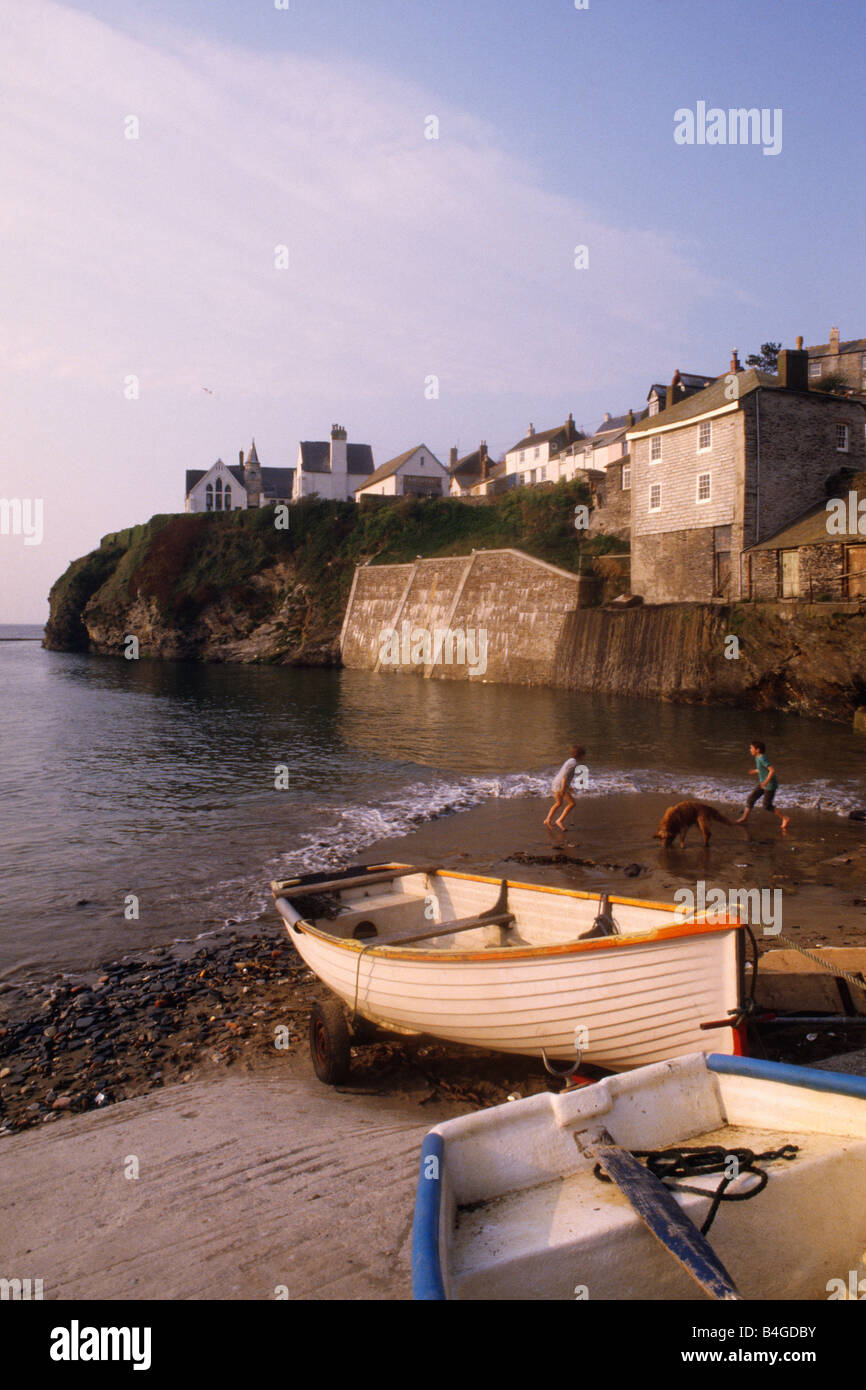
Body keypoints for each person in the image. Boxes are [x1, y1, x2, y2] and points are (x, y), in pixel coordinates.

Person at [735, 739, 790, 833]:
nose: (750, 750)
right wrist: (755, 771)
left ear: (758, 750)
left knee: (766, 806)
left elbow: (772, 770)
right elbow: (762, 768)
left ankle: (785, 818)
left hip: (769, 785)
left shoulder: (762, 758)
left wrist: (765, 782)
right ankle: (744, 818)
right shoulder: (757, 758)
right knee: (751, 798)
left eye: (751, 748)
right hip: (763, 783)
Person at [544, 744, 586, 830]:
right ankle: (559, 820)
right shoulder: (573, 764)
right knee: (572, 803)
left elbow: (565, 775)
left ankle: (548, 820)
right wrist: (563, 789)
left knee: (559, 803)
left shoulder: (570, 760)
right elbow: (565, 776)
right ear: (580, 755)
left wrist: (568, 786)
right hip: (560, 784)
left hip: (558, 783)